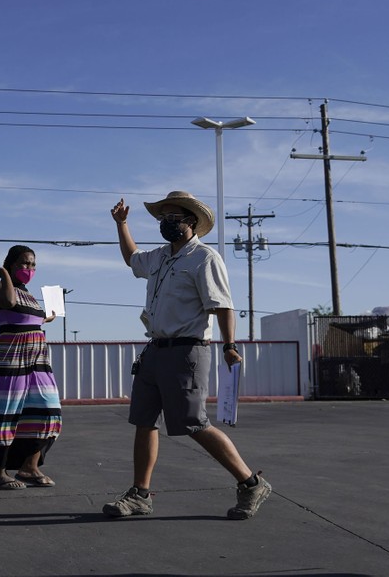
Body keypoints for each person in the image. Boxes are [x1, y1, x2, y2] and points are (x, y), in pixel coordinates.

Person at [104, 191, 271, 520]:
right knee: (144, 420)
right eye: (162, 217)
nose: (165, 222)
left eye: (172, 217)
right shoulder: (160, 257)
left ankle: (250, 483)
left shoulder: (205, 258)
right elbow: (132, 258)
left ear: (191, 222)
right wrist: (122, 224)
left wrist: (230, 346)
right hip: (155, 349)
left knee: (194, 423)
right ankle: (139, 494)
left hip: (187, 351)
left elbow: (223, 305)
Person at [0, 245, 62, 489]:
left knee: (48, 411)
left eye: (33, 264)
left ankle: (29, 468)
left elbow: (28, 316)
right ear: (12, 264)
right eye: (25, 263)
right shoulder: (2, 287)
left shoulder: (29, 293)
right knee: (5, 414)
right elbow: (9, 302)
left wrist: (47, 317)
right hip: (10, 358)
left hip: (36, 361)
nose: (30, 268)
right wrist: (2, 273)